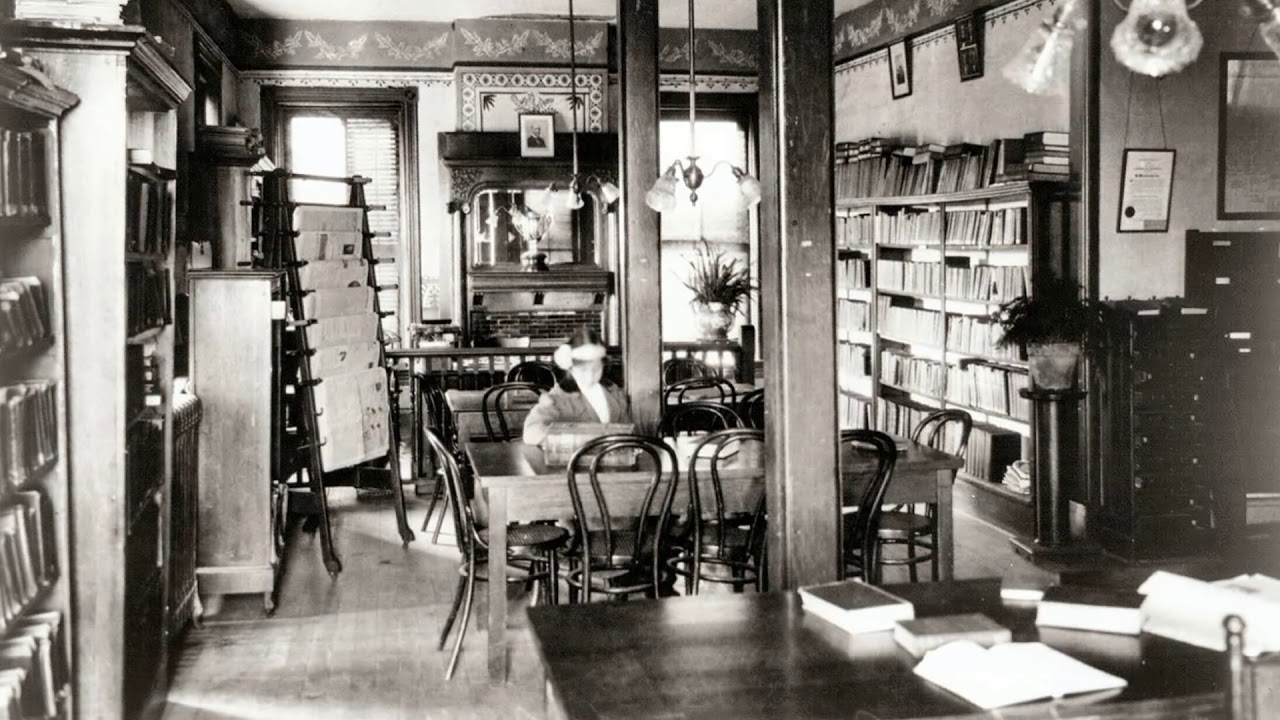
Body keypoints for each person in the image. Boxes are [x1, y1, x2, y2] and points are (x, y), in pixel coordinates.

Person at [522, 327, 631, 445]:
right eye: (583, 371)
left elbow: (628, 431)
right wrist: (579, 438)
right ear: (570, 369)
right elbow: (530, 432)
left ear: (604, 365)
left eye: (596, 369)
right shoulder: (558, 398)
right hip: (574, 461)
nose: (590, 376)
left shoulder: (613, 392)